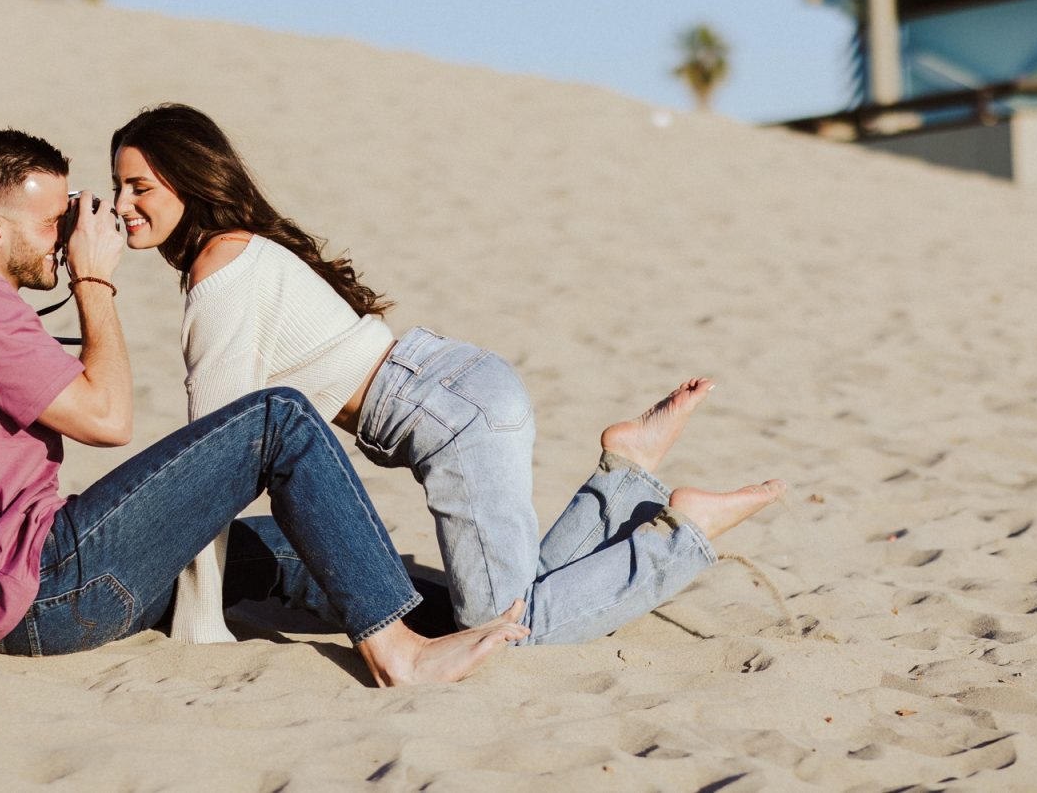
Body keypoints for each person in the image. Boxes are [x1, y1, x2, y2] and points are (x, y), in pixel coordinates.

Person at [0, 128, 527, 685]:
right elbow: (108, 420)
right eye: (55, 221)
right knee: (279, 419)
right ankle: (397, 654)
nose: (66, 234)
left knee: (293, 548)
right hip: (39, 592)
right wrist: (93, 278)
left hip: (5, 599)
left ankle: (485, 621)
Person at [109, 104, 787, 646]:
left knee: (502, 633)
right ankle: (623, 475)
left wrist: (200, 626)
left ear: (191, 178)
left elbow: (210, 463)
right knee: (525, 592)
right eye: (116, 187)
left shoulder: (220, 269)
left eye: (140, 185)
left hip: (450, 420)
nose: (122, 204)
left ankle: (683, 535)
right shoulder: (244, 252)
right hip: (462, 388)